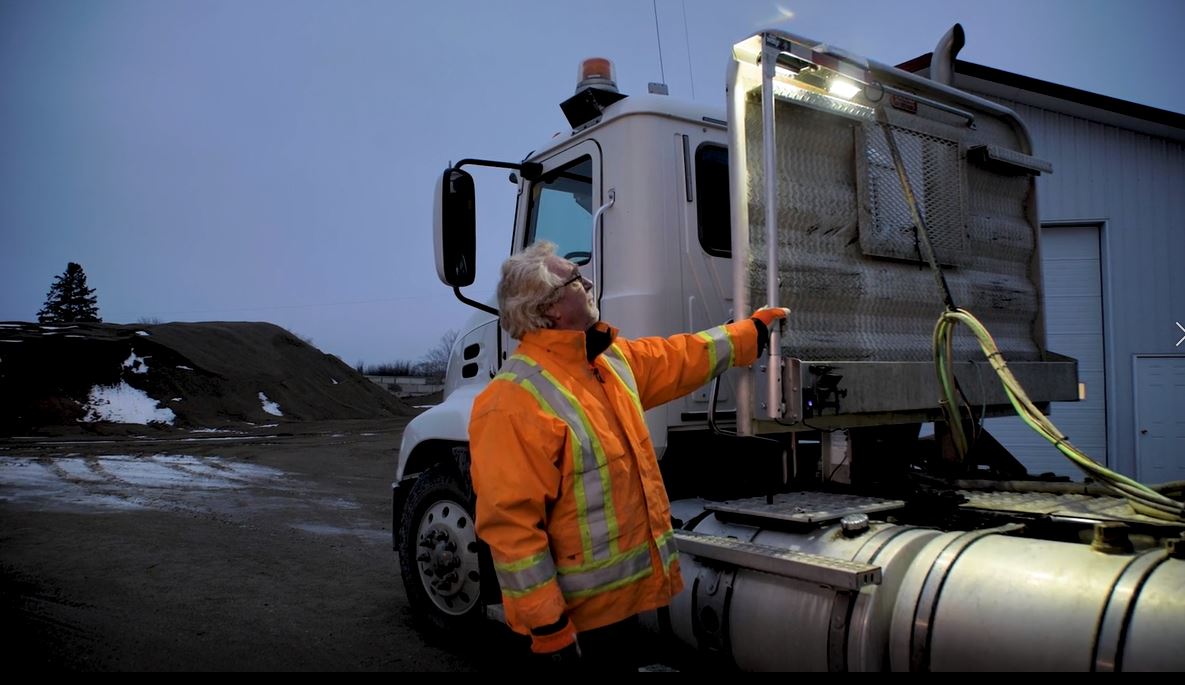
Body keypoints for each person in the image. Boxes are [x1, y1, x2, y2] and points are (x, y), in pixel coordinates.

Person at [468, 240, 788, 670]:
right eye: (577, 280)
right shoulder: (509, 402)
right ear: (551, 310)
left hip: (621, 609)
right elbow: (512, 533)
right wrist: (549, 631)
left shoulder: (606, 360)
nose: (590, 283)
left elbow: (680, 356)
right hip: (575, 625)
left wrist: (751, 333)